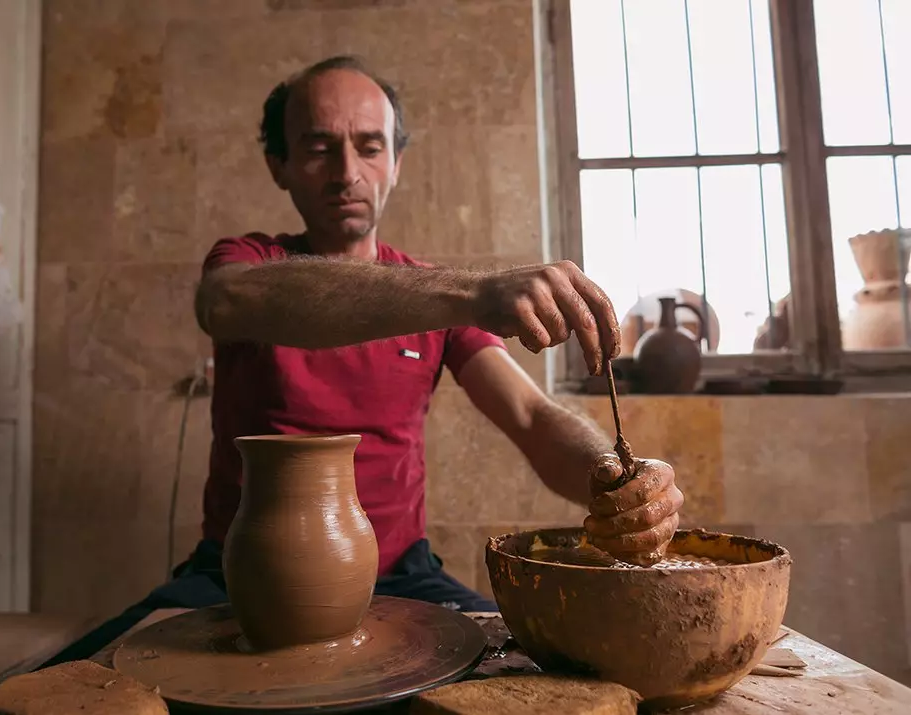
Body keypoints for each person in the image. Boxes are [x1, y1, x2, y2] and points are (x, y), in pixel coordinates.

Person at [43, 55, 682, 665]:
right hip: (235, 574)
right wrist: (473, 293)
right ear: (280, 164)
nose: (346, 171)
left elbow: (533, 418)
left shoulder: (438, 301)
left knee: (543, 673)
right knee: (53, 690)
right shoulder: (251, 263)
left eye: (370, 147)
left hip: (401, 575)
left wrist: (614, 477)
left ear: (397, 162)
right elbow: (227, 303)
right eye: (319, 147)